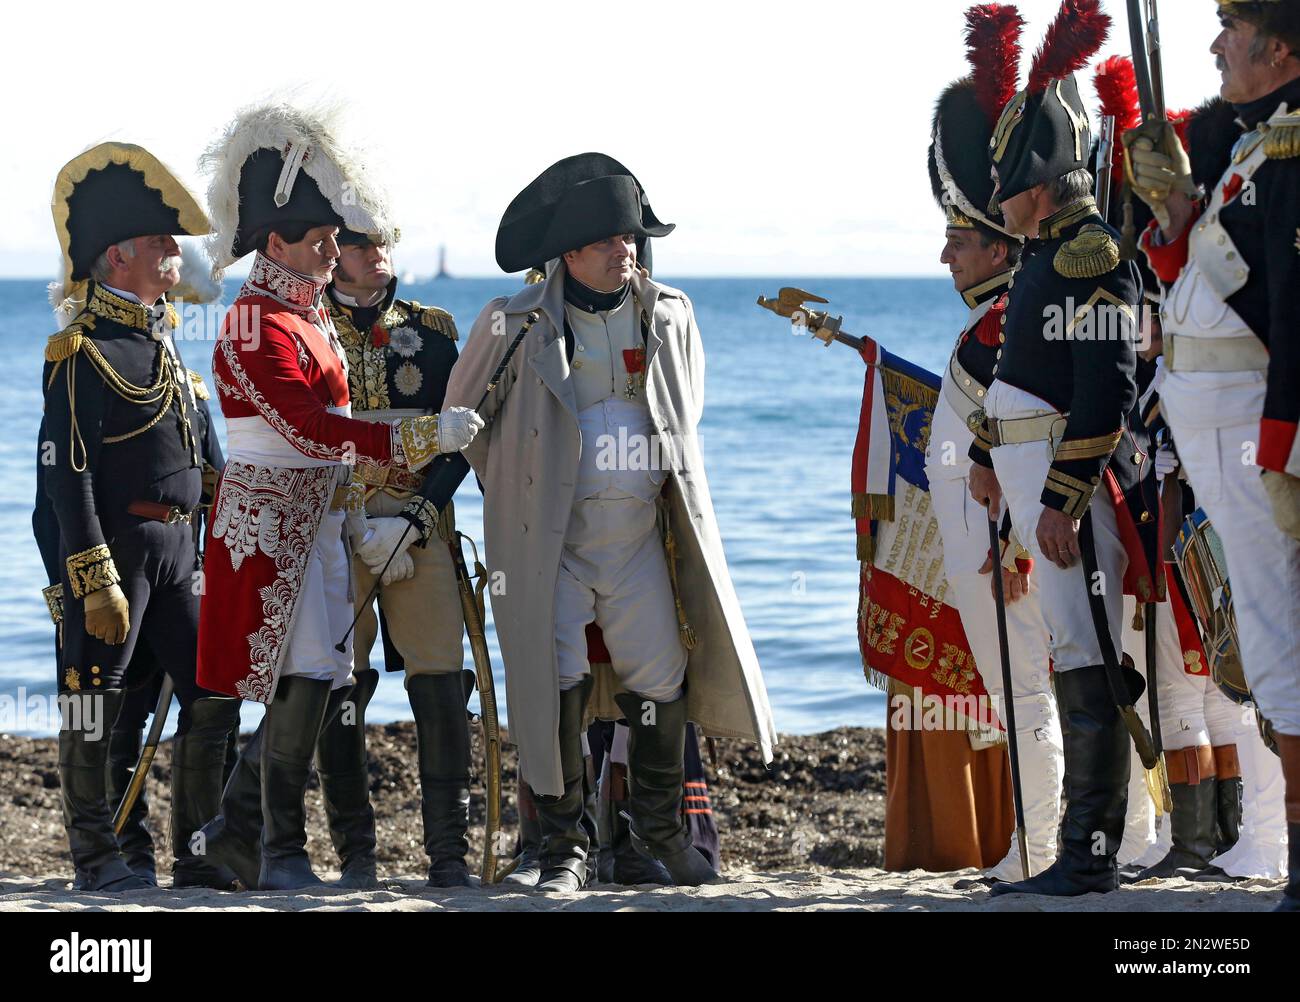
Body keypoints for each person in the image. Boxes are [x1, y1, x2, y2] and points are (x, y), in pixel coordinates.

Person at [445, 153, 776, 891]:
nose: (626, 251)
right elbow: (461, 422)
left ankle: (658, 833)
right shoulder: (511, 322)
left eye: (630, 238)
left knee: (661, 678)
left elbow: (687, 413)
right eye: (608, 241)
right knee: (553, 682)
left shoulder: (670, 314)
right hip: (552, 548)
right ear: (570, 253)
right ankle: (562, 848)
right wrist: (519, 494)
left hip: (637, 540)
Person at [191, 104, 481, 890]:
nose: (334, 252)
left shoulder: (305, 311)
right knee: (306, 675)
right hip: (273, 521)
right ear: (275, 241)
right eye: (320, 241)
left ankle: (241, 835)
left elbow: (331, 429)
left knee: (317, 675)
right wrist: (421, 439)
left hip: (318, 517)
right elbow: (314, 429)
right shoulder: (254, 322)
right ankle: (263, 844)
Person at [965, 0, 1162, 897]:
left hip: (1066, 494)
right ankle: (1078, 850)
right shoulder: (1049, 252)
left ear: (1037, 182)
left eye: (1006, 182)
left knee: (1085, 657)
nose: (995, 200)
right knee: (1069, 652)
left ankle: (1087, 854)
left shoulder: (1090, 255)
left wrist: (1061, 499)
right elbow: (1024, 366)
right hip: (1033, 480)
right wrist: (985, 453)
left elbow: (1105, 389)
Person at [1125, 0, 1300, 908]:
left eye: (1232, 30)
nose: (1213, 44)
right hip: (1219, 430)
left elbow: (1291, 309)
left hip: (1255, 435)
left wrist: (1285, 444)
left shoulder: (1291, 149)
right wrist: (1176, 211)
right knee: (1271, 646)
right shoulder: (1253, 145)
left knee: (1280, 649)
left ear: (1277, 49)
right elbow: (1202, 276)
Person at [41, 143, 241, 891]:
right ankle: (102, 859)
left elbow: (213, 474)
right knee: (94, 707)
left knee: (213, 694)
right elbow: (67, 478)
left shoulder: (169, 355)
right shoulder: (79, 352)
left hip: (179, 555)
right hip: (118, 554)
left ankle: (196, 852)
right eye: (161, 242)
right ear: (117, 256)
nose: (173, 253)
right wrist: (92, 578)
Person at [923, 2, 1062, 882]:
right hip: (994, 541)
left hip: (1004, 546)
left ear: (1001, 246)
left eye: (959, 239)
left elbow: (1021, 450)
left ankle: (1040, 844)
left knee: (1028, 691)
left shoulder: (1006, 326)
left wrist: (1009, 536)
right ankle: (1088, 840)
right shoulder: (993, 322)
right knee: (1033, 690)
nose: (946, 257)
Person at [316, 230, 475, 888]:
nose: (376, 249)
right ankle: (356, 857)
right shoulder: (307, 328)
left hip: (422, 526)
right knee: (337, 688)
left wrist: (414, 521)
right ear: (333, 249)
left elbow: (463, 435)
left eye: (383, 238)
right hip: (337, 530)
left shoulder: (433, 332)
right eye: (359, 241)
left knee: (440, 680)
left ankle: (450, 858)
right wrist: (351, 519)